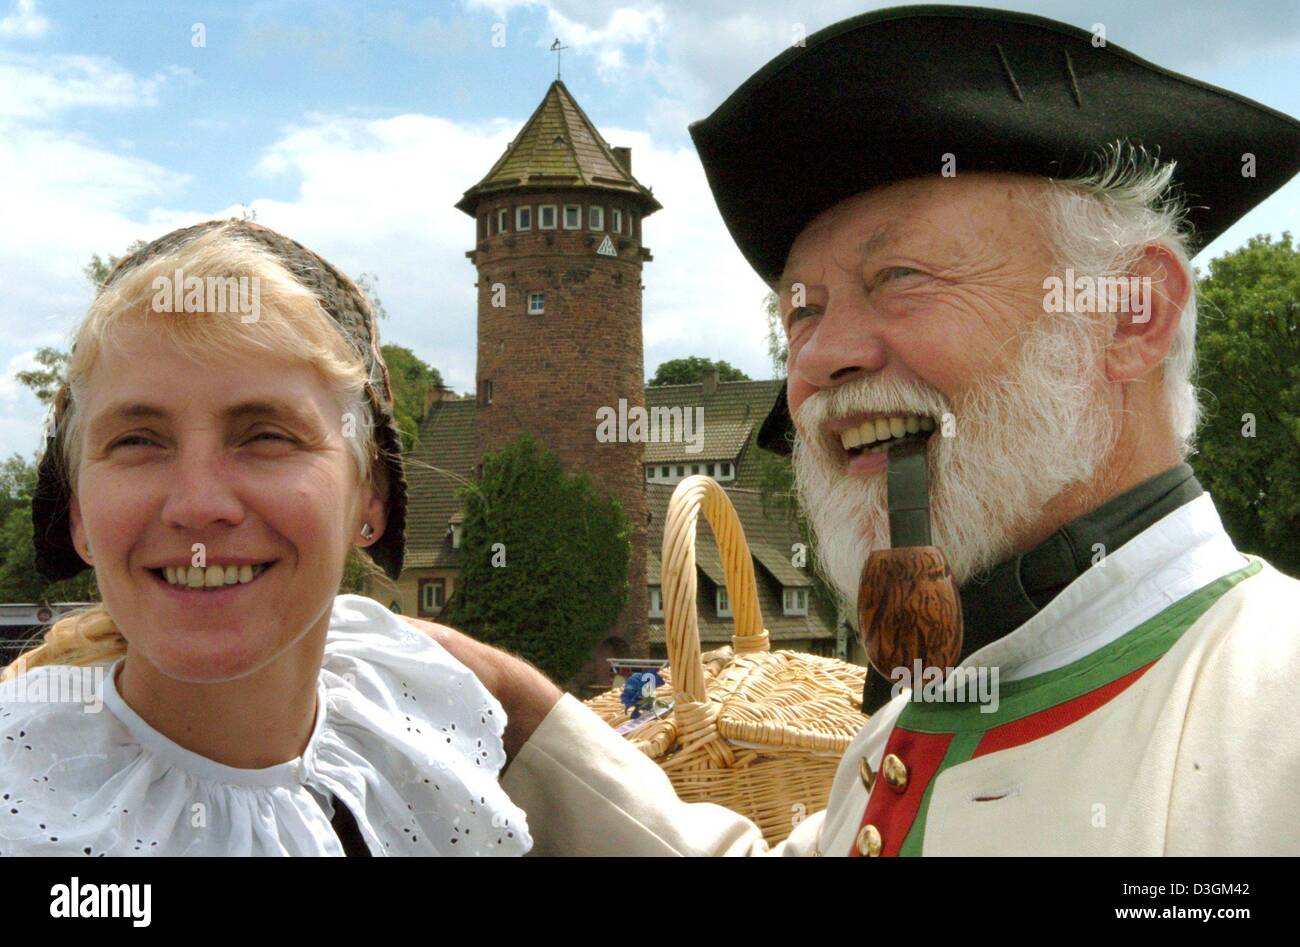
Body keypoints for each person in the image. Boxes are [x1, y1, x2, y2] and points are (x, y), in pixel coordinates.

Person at [447, 5, 1300, 855]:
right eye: (802, 311)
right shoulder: (904, 727)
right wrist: (514, 711)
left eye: (900, 275)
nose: (820, 358)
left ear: (1129, 313)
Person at [0, 220, 531, 856]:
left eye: (266, 436)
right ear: (79, 515)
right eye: (137, 441)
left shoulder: (423, 742)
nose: (199, 506)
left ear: (371, 498)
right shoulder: (26, 812)